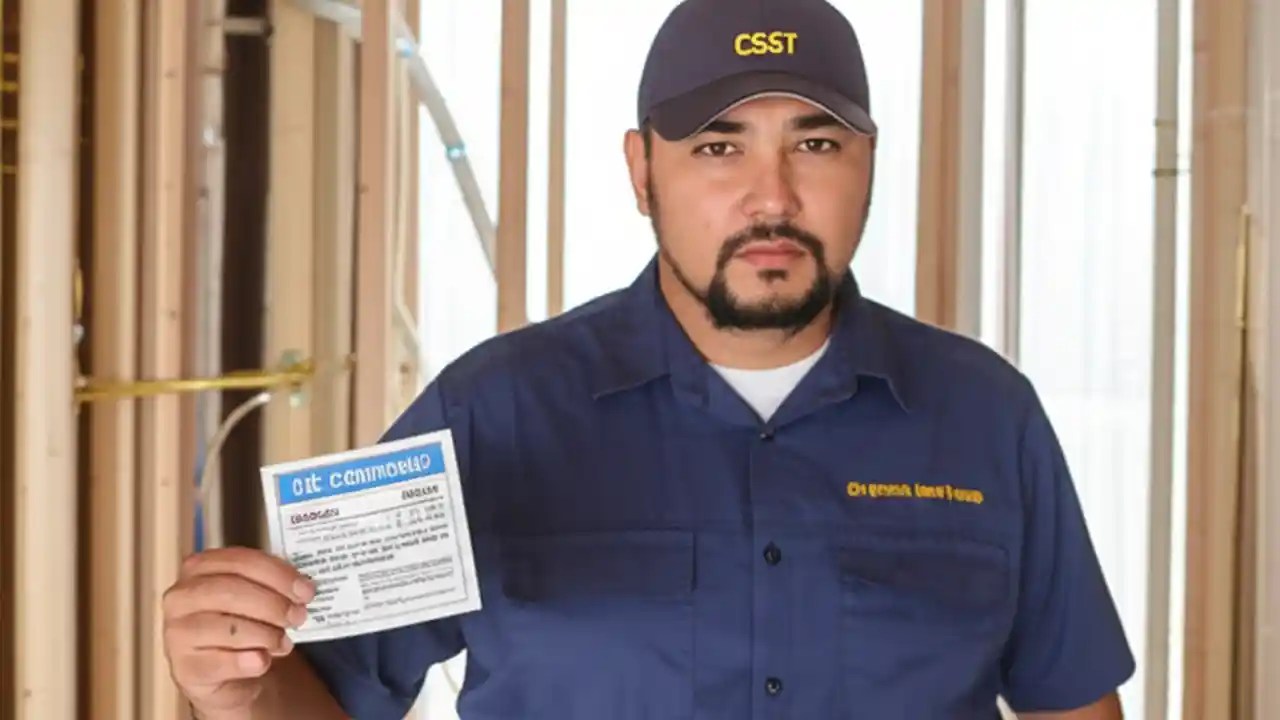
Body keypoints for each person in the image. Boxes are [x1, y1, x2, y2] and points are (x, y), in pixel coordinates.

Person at [162, 0, 1136, 717]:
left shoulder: (983, 415)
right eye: (718, 148)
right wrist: (233, 683)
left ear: (866, 161)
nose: (771, 196)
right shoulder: (491, 410)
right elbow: (318, 695)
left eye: (815, 142)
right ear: (641, 170)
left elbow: (1071, 704)